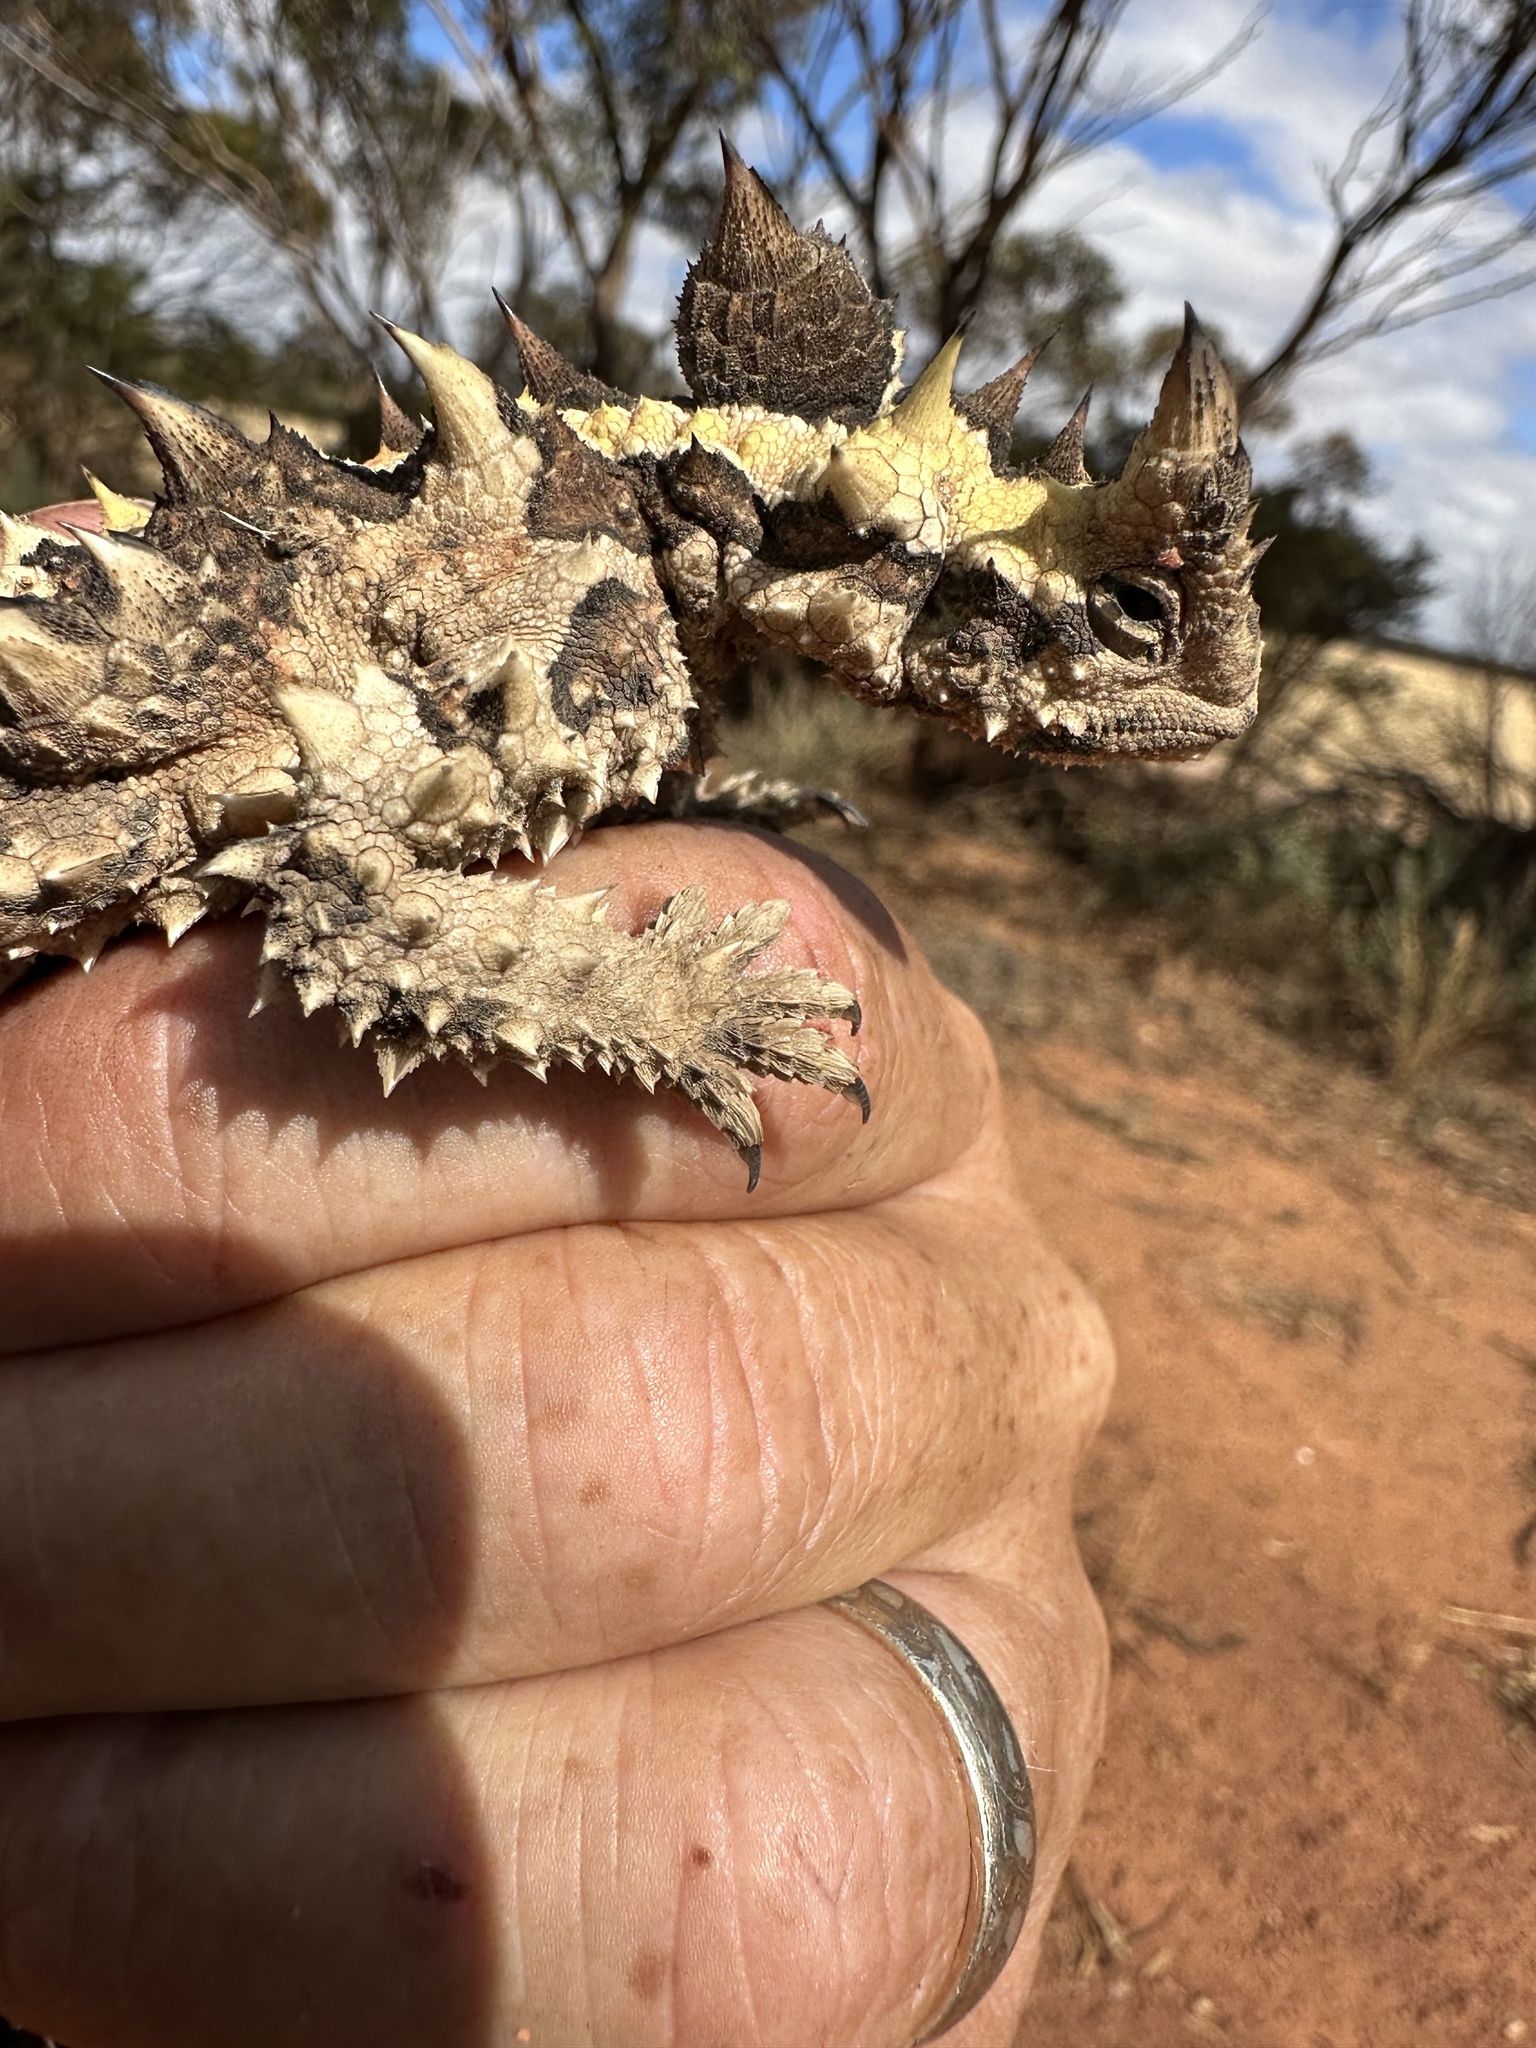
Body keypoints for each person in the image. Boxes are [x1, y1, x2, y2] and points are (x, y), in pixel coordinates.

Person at [0, 506, 1112, 2047]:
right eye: (1083, 610)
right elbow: (361, 917)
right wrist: (658, 1003)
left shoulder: (596, 625)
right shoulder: (564, 592)